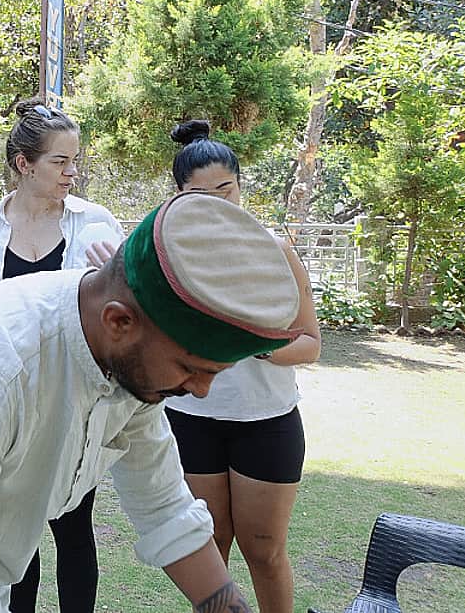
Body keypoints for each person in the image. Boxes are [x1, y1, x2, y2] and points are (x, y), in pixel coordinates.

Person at [0, 191, 308, 613]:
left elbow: (166, 509)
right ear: (118, 322)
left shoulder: (136, 359)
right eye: (192, 369)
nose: (200, 390)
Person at [0, 98, 123, 613]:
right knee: (9, 533)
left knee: (74, 528)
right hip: (3, 405)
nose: (74, 172)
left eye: (76, 160)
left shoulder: (95, 222)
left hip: (72, 402)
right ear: (24, 164)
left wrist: (117, 272)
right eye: (60, 161)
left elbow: (125, 316)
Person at [164, 121, 322, 613]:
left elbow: (311, 343)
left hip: (266, 422)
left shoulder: (274, 250)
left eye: (225, 190)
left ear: (241, 186)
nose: (215, 203)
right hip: (192, 419)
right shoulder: (169, 254)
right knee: (210, 552)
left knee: (265, 550)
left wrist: (260, 348)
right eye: (199, 195)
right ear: (178, 196)